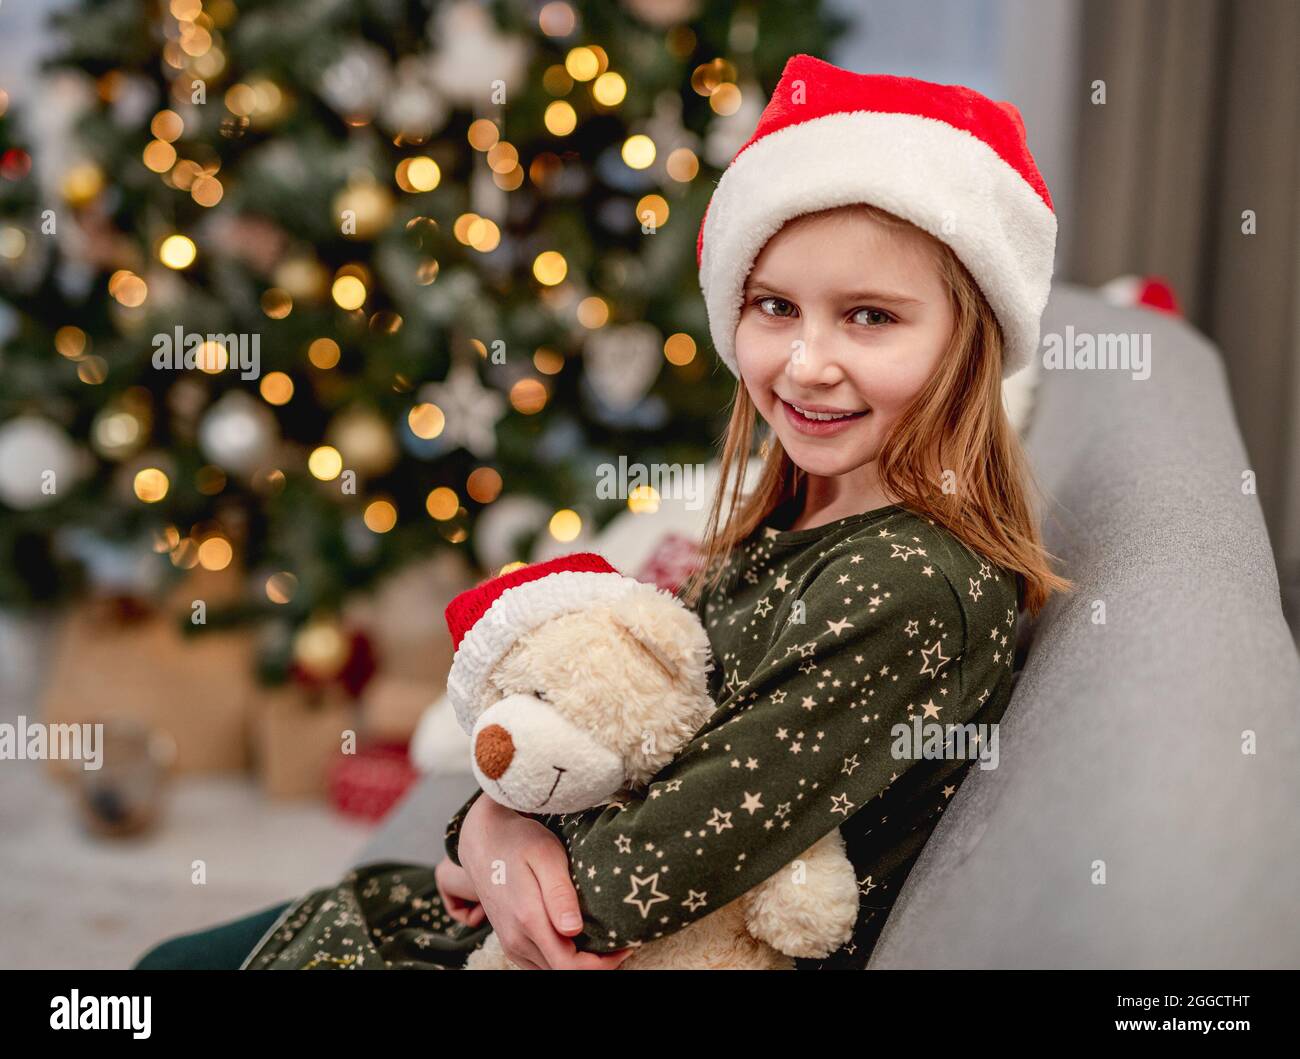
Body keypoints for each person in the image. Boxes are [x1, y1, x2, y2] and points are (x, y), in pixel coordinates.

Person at [134, 53, 1071, 971]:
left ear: (970, 337)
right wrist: (491, 821)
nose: (805, 362)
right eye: (775, 306)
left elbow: (638, 875)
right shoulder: (796, 513)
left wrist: (489, 833)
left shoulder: (907, 586)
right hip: (512, 911)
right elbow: (622, 736)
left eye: (871, 316)